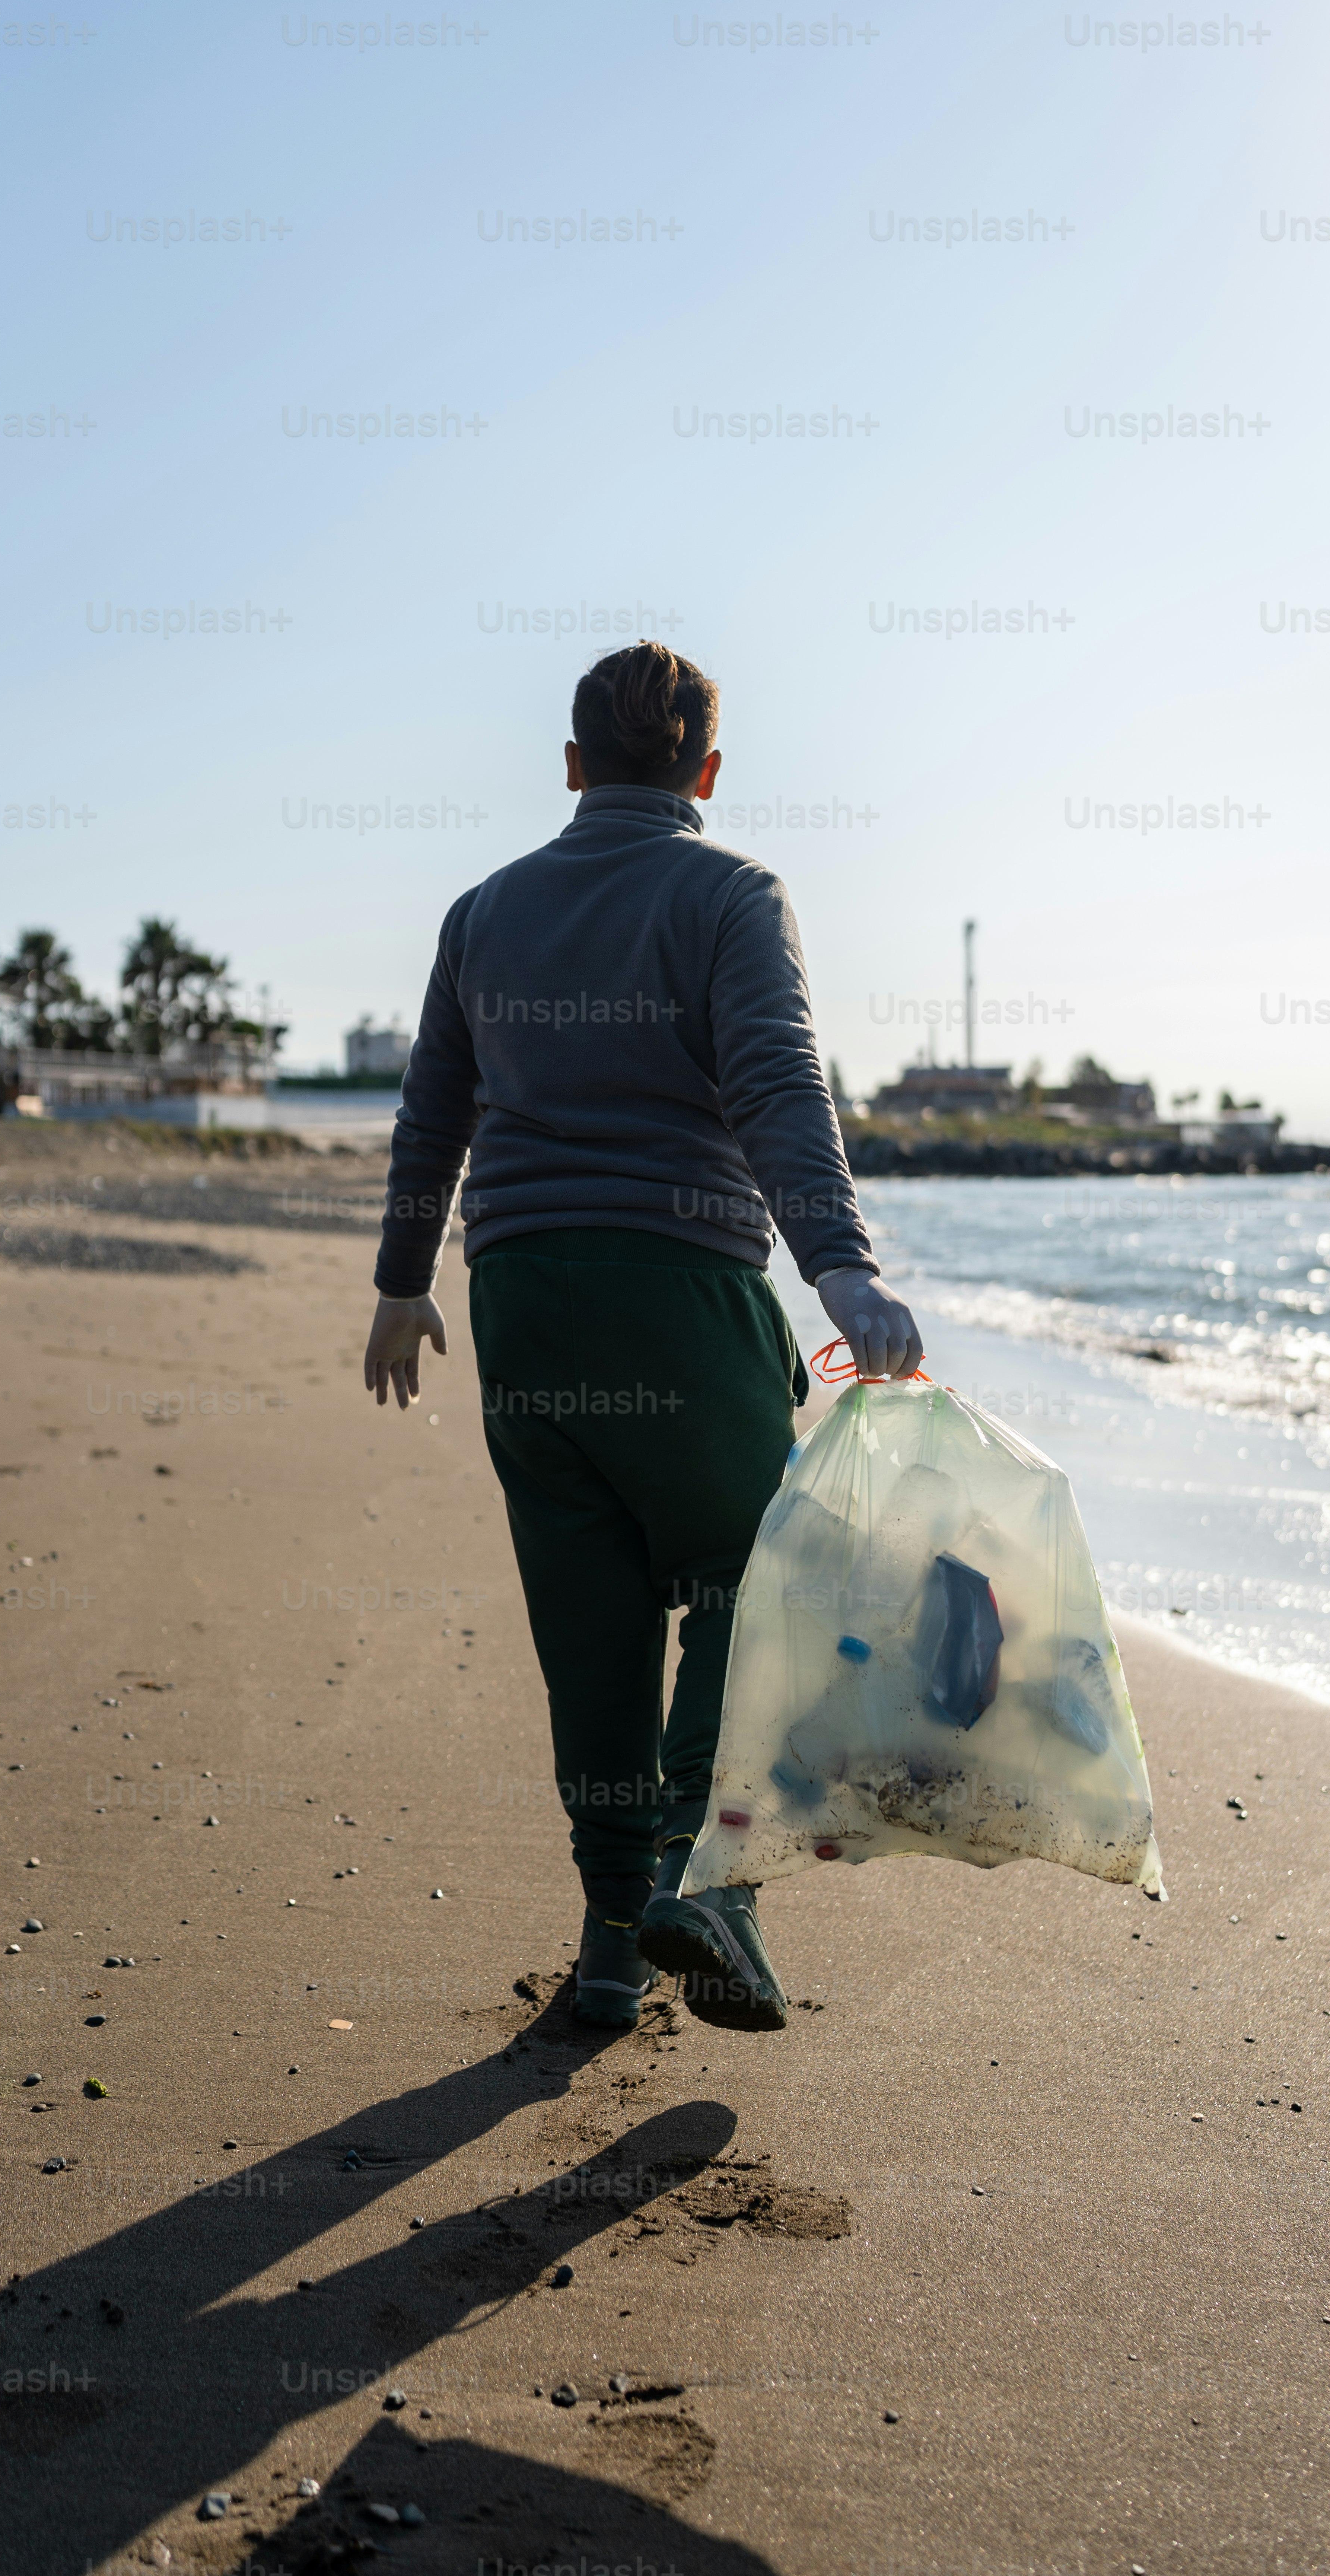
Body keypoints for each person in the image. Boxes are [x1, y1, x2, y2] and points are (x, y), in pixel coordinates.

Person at [363, 642, 922, 2033]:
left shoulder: (483, 910)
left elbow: (434, 1115)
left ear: (570, 768)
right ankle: (701, 1877)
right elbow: (780, 1083)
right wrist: (842, 1271)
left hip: (526, 1306)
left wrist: (399, 1281)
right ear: (707, 775)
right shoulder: (732, 894)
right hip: (681, 1297)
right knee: (763, 1584)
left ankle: (614, 1947)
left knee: (594, 1632)